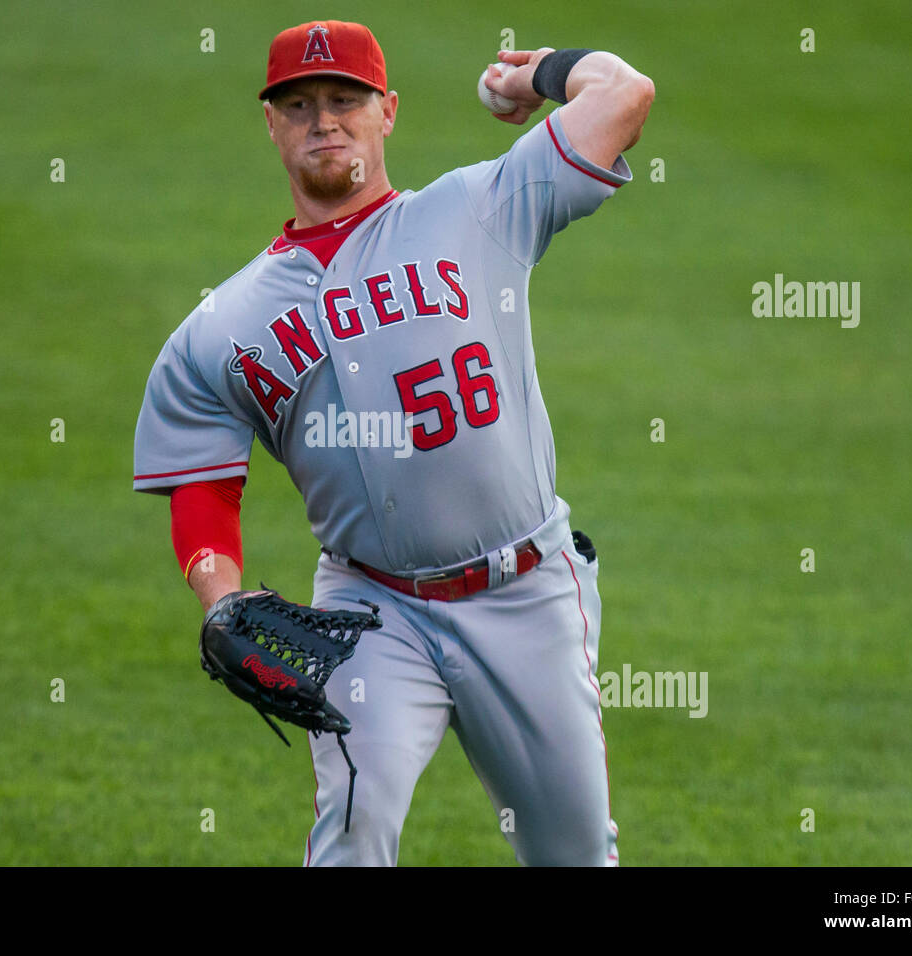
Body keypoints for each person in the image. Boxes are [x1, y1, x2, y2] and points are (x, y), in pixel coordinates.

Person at [132, 19, 654, 865]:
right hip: (370, 615)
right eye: (298, 105)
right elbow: (204, 486)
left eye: (345, 99)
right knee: (352, 837)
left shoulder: (479, 207)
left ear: (388, 112)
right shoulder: (221, 326)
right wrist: (219, 598)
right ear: (271, 124)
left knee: (574, 856)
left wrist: (538, 77)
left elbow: (626, 93)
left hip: (526, 594)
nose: (323, 121)